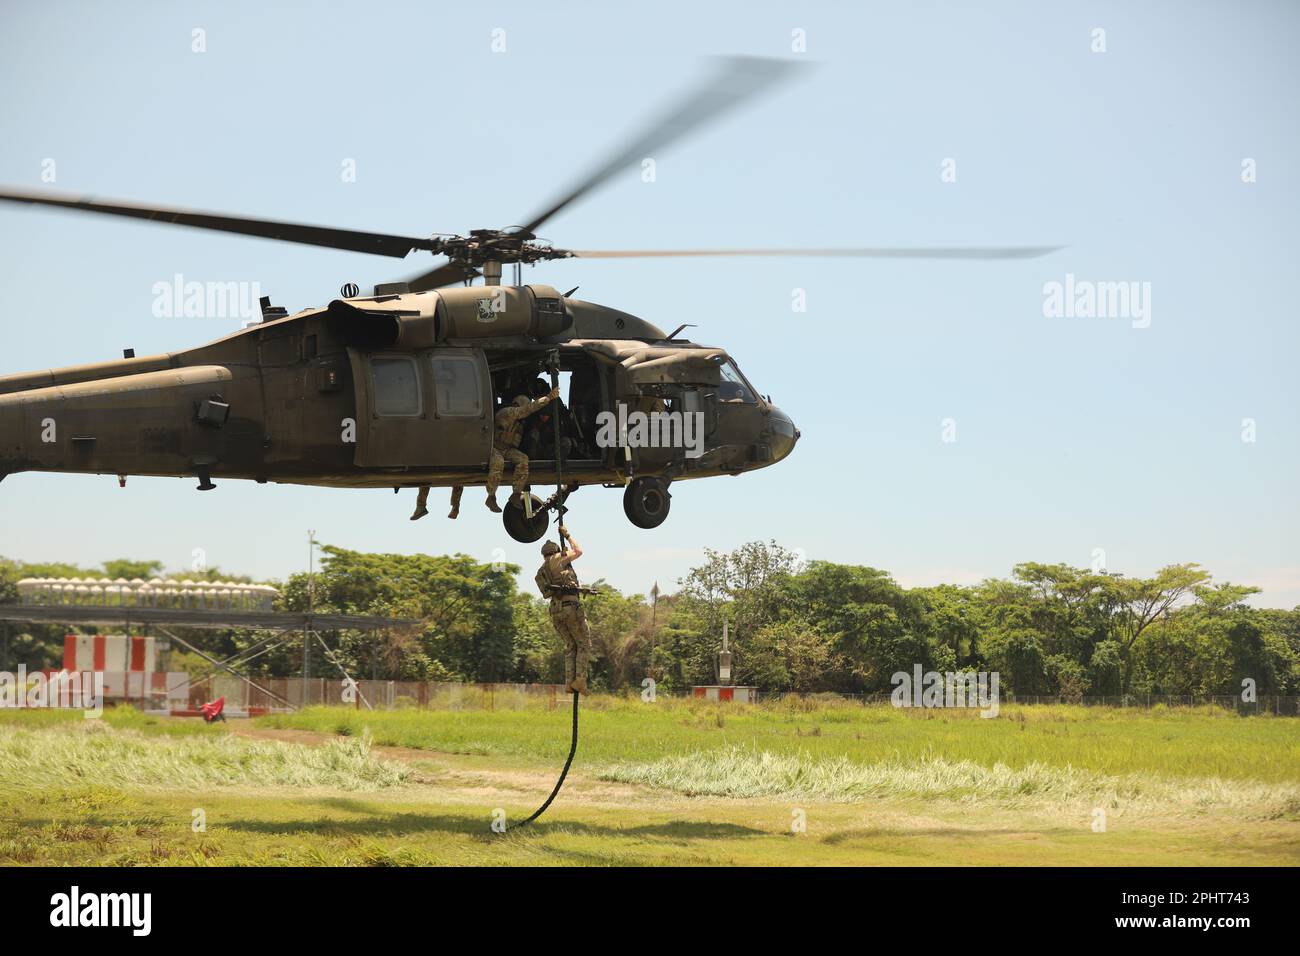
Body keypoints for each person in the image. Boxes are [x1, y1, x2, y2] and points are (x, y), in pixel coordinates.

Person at [536, 526, 591, 694]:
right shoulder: (559, 558)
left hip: (555, 611)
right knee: (583, 644)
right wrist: (567, 535)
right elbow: (579, 551)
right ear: (555, 550)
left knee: (570, 646)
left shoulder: (542, 570)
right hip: (570, 608)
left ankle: (569, 683)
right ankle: (580, 680)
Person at [486, 387, 559, 512]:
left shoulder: (520, 423)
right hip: (493, 447)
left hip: (507, 449)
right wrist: (548, 398)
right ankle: (491, 497)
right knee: (498, 462)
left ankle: (516, 494)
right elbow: (527, 410)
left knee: (523, 459)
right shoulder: (507, 412)